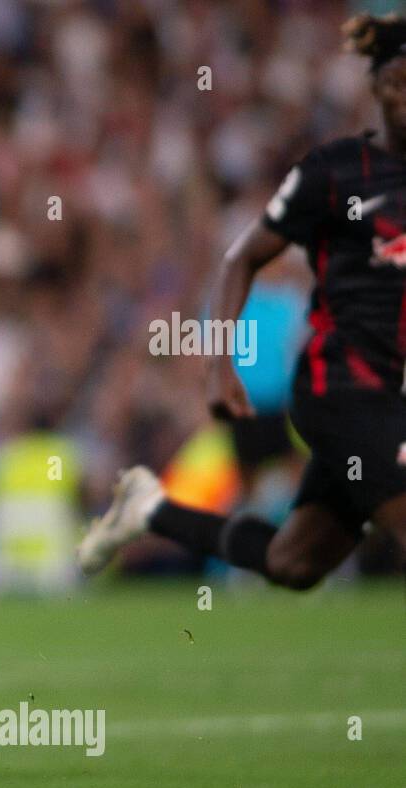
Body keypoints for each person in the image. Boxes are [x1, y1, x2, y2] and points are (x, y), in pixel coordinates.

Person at [79, 14, 406, 588]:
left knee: (294, 562)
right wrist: (218, 361)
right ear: (378, 88)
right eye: (399, 83)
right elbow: (241, 258)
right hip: (342, 390)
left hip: (393, 392)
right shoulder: (332, 174)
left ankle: (150, 510)